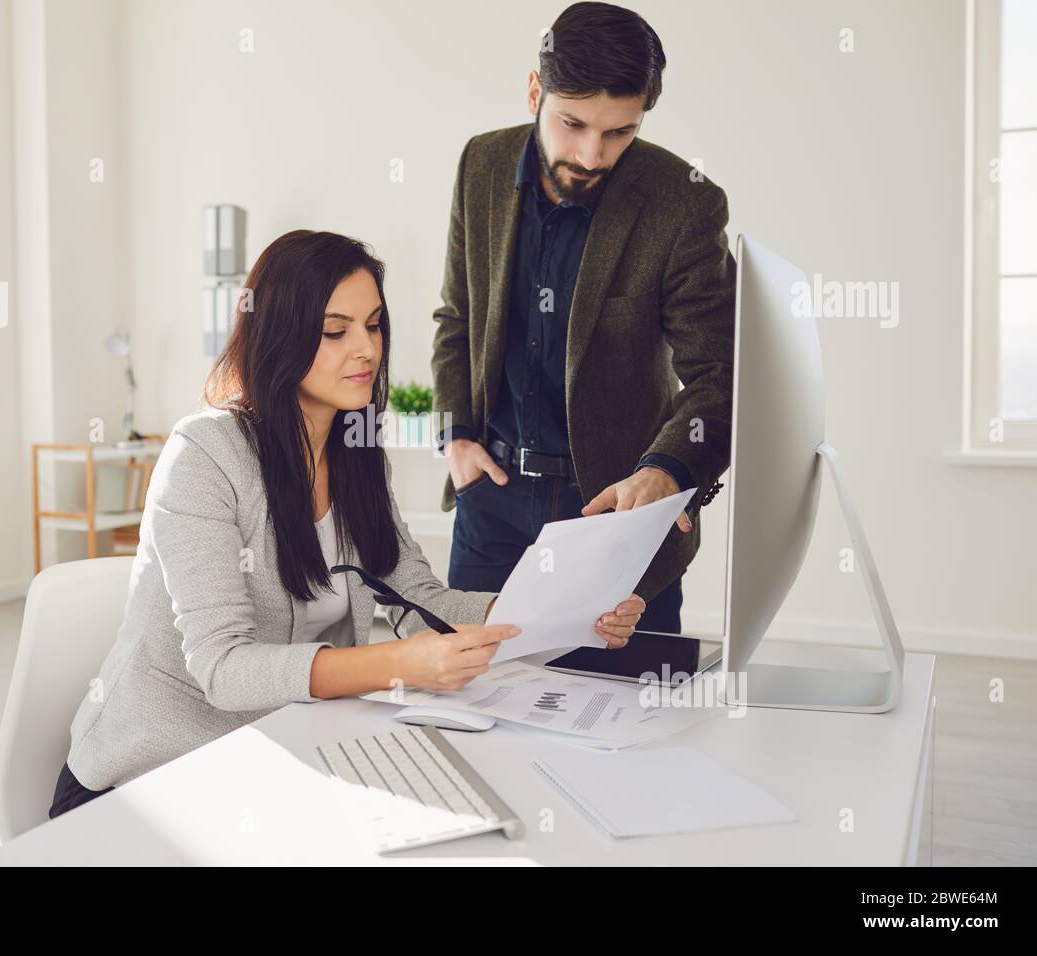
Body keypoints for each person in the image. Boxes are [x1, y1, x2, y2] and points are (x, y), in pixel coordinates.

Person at [49, 230, 647, 818]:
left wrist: (565, 612)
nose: (365, 348)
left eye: (374, 324)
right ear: (280, 335)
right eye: (336, 331)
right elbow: (224, 670)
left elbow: (419, 599)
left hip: (274, 758)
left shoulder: (355, 453)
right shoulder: (203, 455)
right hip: (145, 783)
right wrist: (400, 664)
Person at [432, 2, 735, 634]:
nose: (593, 155)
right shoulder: (479, 166)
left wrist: (666, 471)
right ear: (534, 90)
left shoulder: (684, 202)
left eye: (619, 132)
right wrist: (454, 433)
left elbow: (722, 375)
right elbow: (457, 317)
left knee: (623, 717)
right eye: (572, 124)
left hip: (616, 512)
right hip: (491, 499)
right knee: (472, 710)